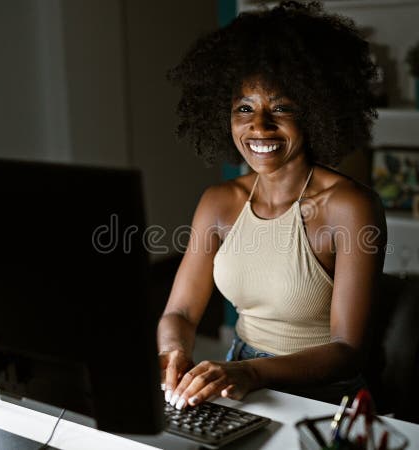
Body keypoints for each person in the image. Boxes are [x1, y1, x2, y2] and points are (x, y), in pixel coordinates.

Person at [158, 1, 387, 410]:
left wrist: (253, 373)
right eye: (244, 108)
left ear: (315, 113)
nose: (259, 126)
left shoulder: (350, 208)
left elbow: (348, 349)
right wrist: (173, 353)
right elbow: (180, 313)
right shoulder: (219, 203)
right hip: (239, 375)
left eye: (280, 108)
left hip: (322, 395)